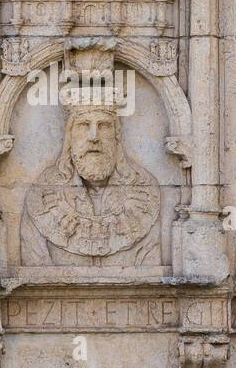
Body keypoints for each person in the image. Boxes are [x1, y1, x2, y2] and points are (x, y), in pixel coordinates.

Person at [21, 101, 161, 268]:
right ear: (70, 138)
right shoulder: (43, 196)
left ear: (117, 137)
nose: (94, 137)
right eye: (84, 125)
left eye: (103, 126)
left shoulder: (144, 193)